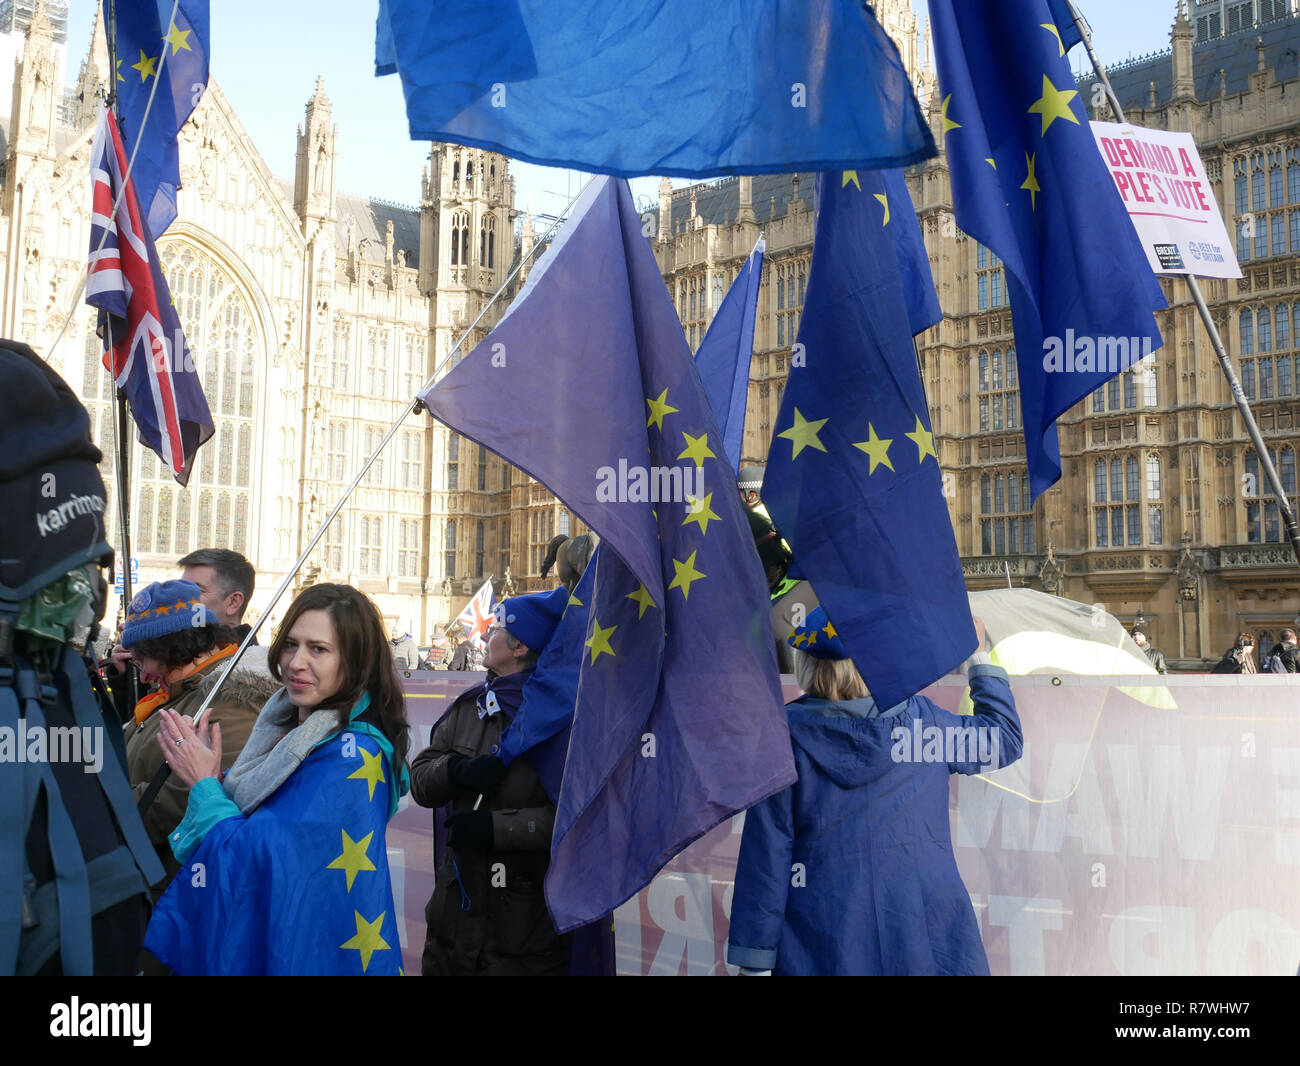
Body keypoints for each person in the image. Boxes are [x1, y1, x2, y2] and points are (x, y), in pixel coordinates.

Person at [726, 607, 1022, 976]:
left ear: (806, 665)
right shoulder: (923, 726)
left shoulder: (781, 738)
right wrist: (977, 656)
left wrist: (755, 963)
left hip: (823, 937)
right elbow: (1002, 739)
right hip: (925, 931)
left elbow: (767, 854)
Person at [142, 583, 411, 975]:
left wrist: (204, 785)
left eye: (318, 649)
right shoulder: (284, 725)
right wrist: (214, 776)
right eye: (290, 644)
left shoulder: (354, 755)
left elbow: (259, 858)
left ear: (355, 662)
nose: (296, 662)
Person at [411, 586, 570, 976]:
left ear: (520, 647)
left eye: (495, 627)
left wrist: (496, 829)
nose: (484, 635)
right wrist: (455, 771)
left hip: (519, 929)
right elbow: (420, 778)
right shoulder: (468, 709)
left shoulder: (563, 722)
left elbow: (574, 817)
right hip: (454, 921)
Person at [120, 580, 273, 898]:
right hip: (145, 879)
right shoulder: (176, 691)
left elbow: (178, 802)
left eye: (144, 658)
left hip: (176, 892)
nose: (143, 672)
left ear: (170, 649)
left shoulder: (232, 699)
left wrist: (100, 801)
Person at [106, 548, 266, 722]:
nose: (181, 599)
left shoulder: (244, 680)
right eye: (181, 589)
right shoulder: (174, 658)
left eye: (196, 591)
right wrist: (128, 676)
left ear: (233, 602)